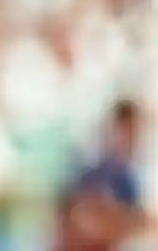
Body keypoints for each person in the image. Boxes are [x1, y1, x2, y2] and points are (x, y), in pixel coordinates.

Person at [57, 100, 155, 251]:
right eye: (127, 129)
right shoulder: (95, 169)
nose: (132, 136)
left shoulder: (137, 174)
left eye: (136, 130)